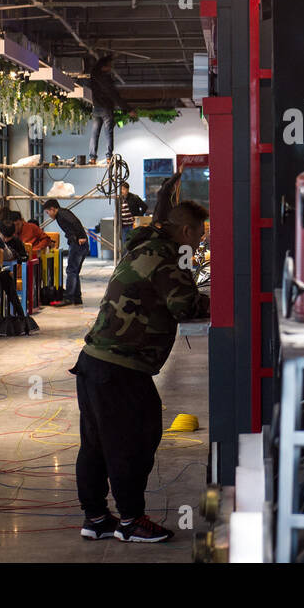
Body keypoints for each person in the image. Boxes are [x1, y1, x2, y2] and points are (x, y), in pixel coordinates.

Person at [71, 201, 210, 543]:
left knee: (96, 444)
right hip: (121, 367)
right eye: (199, 236)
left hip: (95, 361)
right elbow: (185, 305)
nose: (199, 244)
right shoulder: (168, 256)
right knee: (133, 441)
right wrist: (221, 297)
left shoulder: (144, 246)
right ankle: (131, 520)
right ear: (187, 231)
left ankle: (96, 518)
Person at [86, 55, 137, 164]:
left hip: (96, 108)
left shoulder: (93, 77)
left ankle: (92, 157)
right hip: (106, 108)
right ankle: (109, 157)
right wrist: (128, 110)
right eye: (110, 65)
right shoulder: (106, 79)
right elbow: (114, 95)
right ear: (104, 66)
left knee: (95, 133)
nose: (111, 68)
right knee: (108, 132)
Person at [43, 199, 88, 306]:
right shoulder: (62, 214)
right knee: (74, 271)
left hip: (78, 244)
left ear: (52, 209)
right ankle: (77, 298)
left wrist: (81, 236)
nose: (48, 215)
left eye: (47, 212)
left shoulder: (62, 214)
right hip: (78, 243)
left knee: (71, 271)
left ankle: (68, 298)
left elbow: (75, 222)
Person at [118, 181, 148, 250]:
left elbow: (145, 207)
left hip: (133, 225)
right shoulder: (119, 199)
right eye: (121, 189)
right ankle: (126, 258)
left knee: (134, 243)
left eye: (123, 189)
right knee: (125, 244)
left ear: (127, 189)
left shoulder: (134, 197)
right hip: (123, 226)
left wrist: (137, 216)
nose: (122, 191)